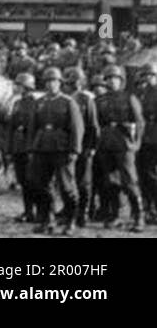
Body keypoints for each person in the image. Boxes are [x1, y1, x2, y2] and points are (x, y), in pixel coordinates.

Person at [29, 66, 84, 234]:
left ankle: (70, 221)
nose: (50, 85)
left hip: (62, 148)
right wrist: (31, 147)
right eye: (47, 82)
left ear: (60, 83)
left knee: (67, 187)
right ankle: (47, 220)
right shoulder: (39, 102)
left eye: (54, 81)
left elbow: (77, 128)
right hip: (42, 147)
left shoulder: (68, 102)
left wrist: (75, 150)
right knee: (42, 185)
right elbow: (33, 127)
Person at [94, 65, 145, 231]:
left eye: (114, 78)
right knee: (110, 182)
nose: (111, 81)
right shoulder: (100, 100)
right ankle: (115, 215)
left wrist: (136, 143)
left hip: (124, 143)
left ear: (121, 80)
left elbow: (139, 122)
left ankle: (139, 217)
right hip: (106, 143)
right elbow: (97, 123)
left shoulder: (129, 97)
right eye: (108, 79)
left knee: (130, 180)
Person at [62, 66, 99, 228]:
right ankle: (69, 211)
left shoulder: (86, 99)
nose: (74, 85)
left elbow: (93, 126)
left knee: (84, 182)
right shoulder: (64, 99)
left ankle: (83, 214)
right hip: (67, 145)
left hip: (84, 145)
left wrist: (92, 147)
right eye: (71, 82)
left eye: (77, 81)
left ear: (82, 82)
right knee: (67, 181)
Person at [7, 72, 38, 222]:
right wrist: (10, 147)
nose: (16, 87)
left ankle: (39, 211)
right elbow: (11, 126)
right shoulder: (17, 103)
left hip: (30, 145)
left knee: (33, 180)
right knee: (23, 181)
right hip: (18, 145)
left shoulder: (35, 103)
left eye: (19, 85)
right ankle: (28, 211)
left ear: (26, 87)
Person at [137, 65, 157, 222]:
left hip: (154, 136)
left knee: (151, 174)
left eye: (149, 76)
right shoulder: (141, 93)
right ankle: (148, 208)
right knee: (144, 174)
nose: (147, 79)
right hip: (143, 137)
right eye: (144, 76)